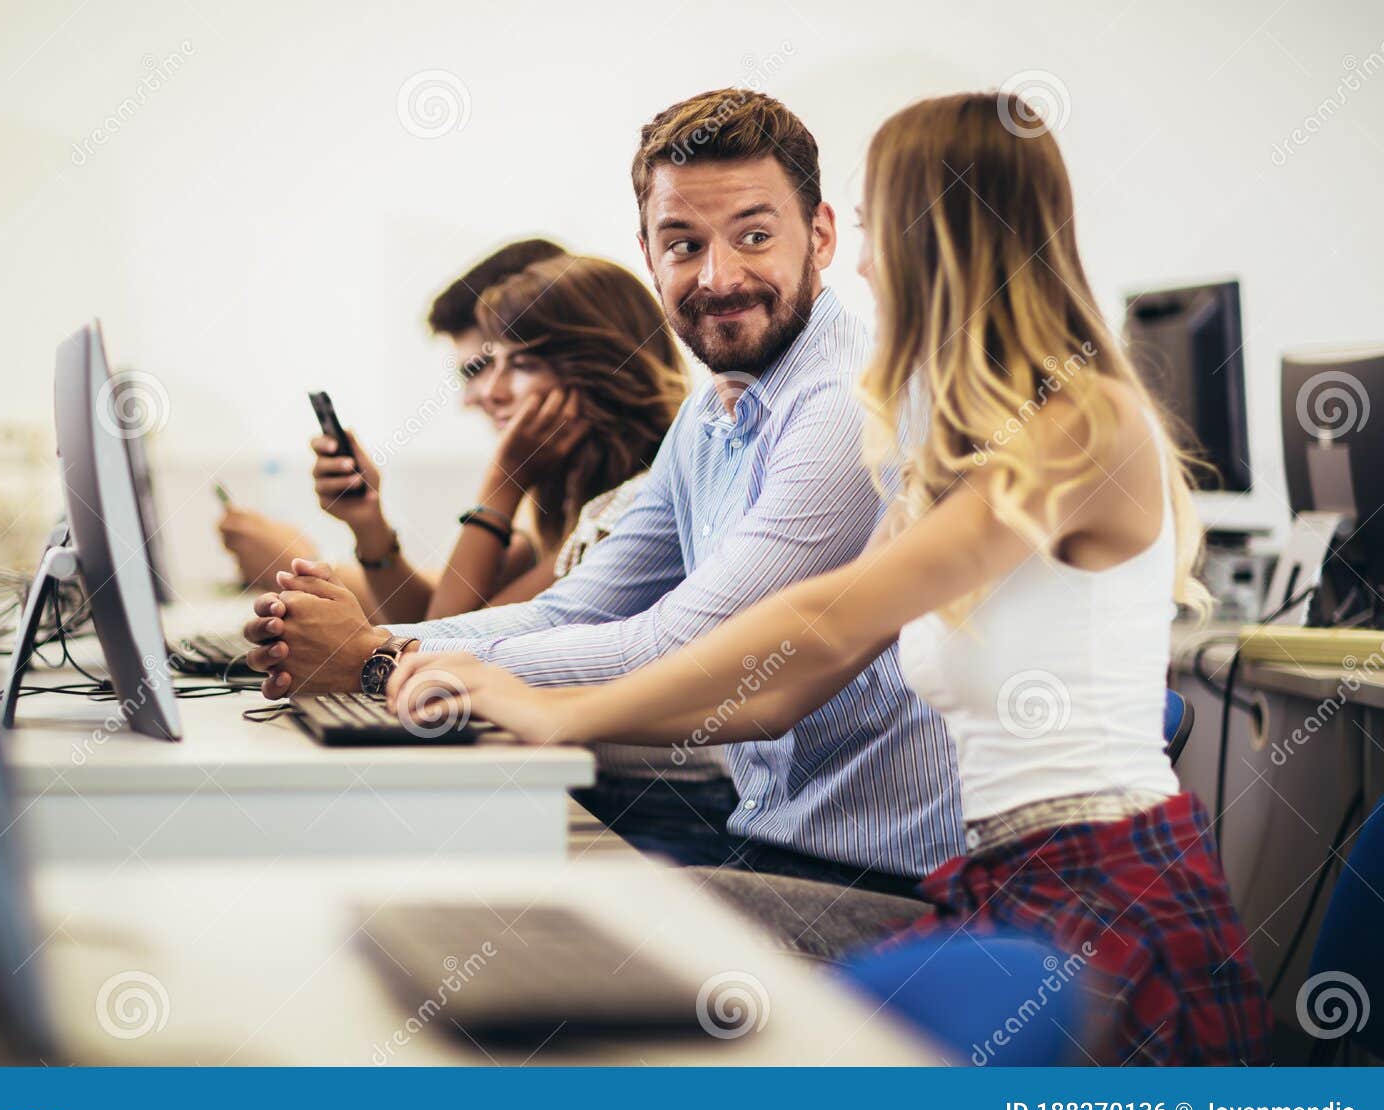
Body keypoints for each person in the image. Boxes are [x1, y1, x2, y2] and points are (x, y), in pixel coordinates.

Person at [386, 92, 1274, 1065]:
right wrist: (537, 699)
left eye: (872, 224)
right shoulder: (945, 448)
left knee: (613, 933)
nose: (858, 259)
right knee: (583, 925)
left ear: (942, 233)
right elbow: (790, 673)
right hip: (990, 889)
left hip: (1102, 910)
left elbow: (822, 616)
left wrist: (561, 713)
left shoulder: (1081, 423)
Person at [242, 89, 963, 917]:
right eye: (683, 244)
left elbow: (681, 644)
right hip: (770, 837)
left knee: (506, 919)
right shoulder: (713, 410)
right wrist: (374, 644)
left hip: (880, 878)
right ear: (650, 255)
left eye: (754, 236)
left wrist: (378, 661)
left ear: (823, 236)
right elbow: (568, 613)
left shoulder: (843, 407)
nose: (719, 275)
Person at [306, 254, 689, 624]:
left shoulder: (629, 507)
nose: (488, 392)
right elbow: (429, 626)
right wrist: (369, 526)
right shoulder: (566, 496)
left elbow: (443, 641)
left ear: (601, 370)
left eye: (518, 364)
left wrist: (504, 479)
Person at [216, 237, 565, 593]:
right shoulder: (546, 491)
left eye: (480, 367)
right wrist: (369, 527)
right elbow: (449, 608)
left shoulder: (591, 506)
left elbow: (441, 622)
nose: (479, 397)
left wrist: (295, 566)